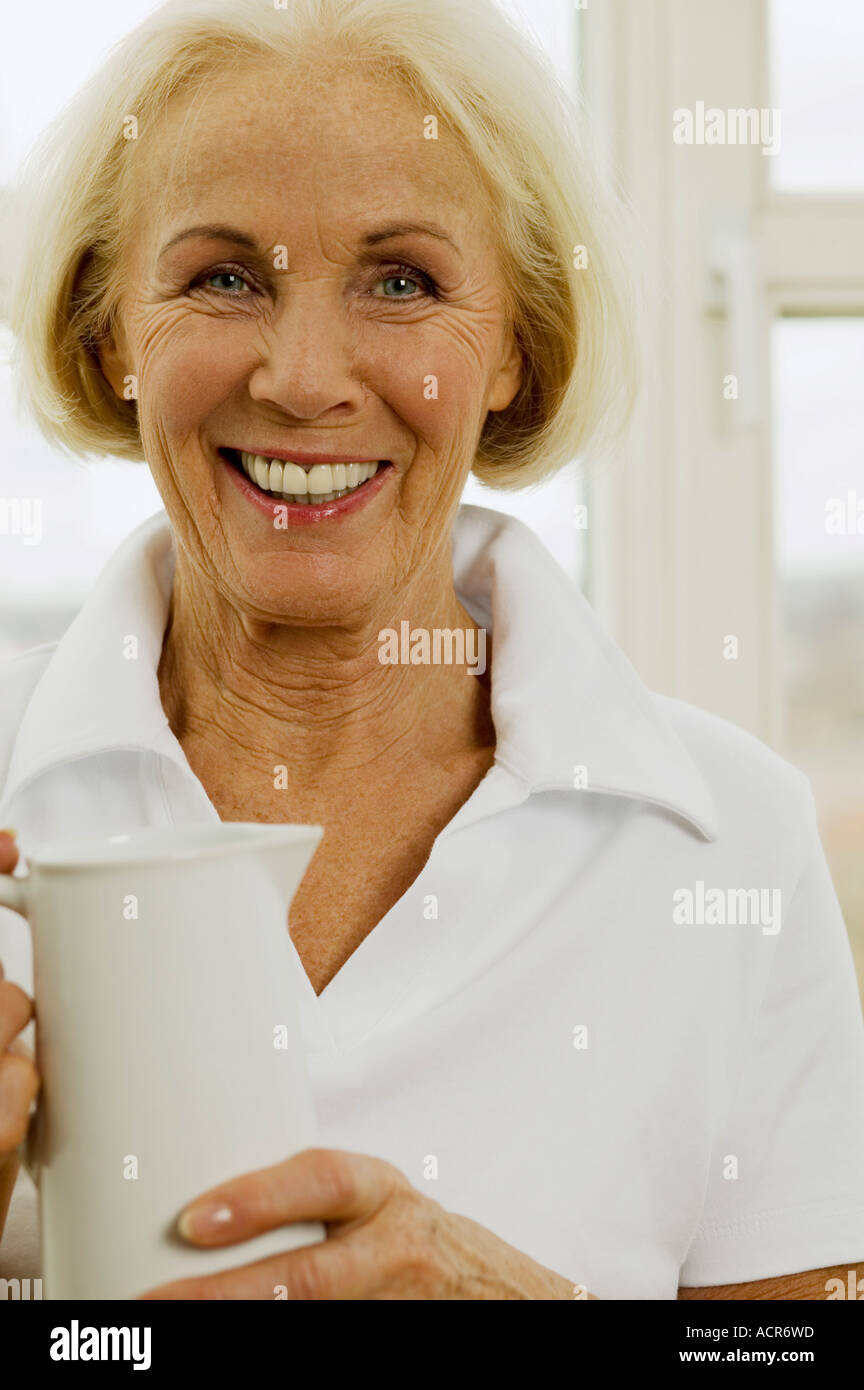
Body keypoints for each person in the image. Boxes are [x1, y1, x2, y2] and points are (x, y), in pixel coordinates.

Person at [1, 0, 862, 1300]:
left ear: (513, 342)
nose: (302, 377)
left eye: (400, 281)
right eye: (223, 276)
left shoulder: (730, 838)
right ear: (111, 332)